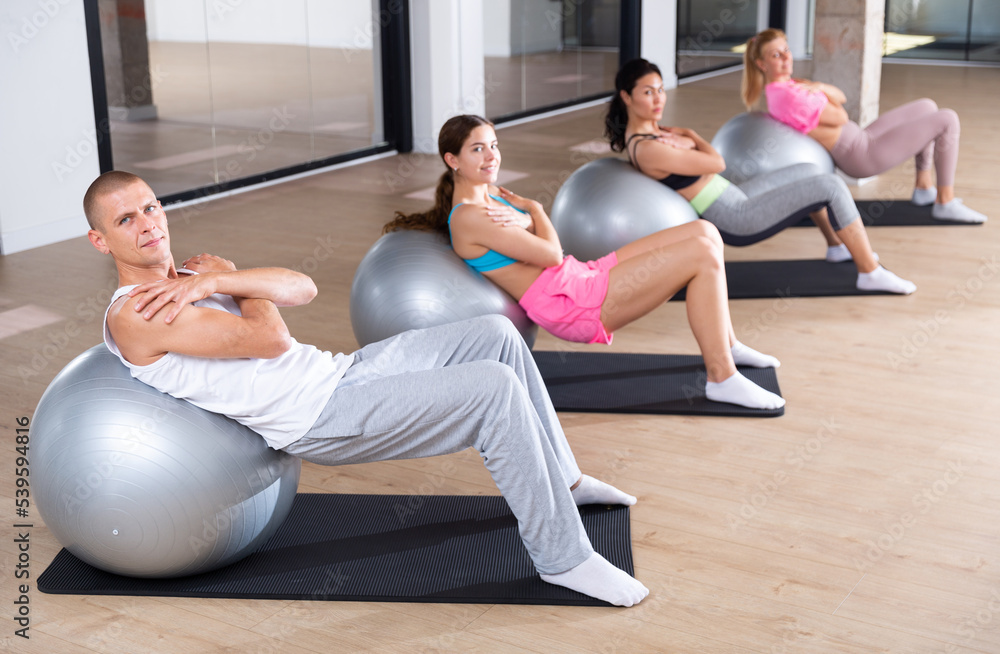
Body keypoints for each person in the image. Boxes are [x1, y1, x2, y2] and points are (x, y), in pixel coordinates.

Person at [83, 170, 648, 607]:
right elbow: (271, 338)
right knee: (495, 388)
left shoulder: (186, 281)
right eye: (127, 219)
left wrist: (218, 279)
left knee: (497, 334)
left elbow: (301, 289)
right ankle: (563, 558)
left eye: (151, 206)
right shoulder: (139, 312)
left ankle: (565, 479)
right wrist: (232, 277)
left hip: (339, 373)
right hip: (321, 417)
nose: (149, 223)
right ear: (100, 241)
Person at [385, 114, 786, 411]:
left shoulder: (490, 197)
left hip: (580, 277)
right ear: (452, 159)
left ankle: (727, 345)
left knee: (704, 232)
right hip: (572, 305)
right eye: (478, 149)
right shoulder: (470, 216)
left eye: (494, 145)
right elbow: (549, 252)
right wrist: (536, 210)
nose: (491, 156)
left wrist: (526, 216)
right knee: (700, 254)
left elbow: (534, 237)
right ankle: (721, 376)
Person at [607, 57, 916, 295]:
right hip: (735, 216)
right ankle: (869, 271)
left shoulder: (655, 134)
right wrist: (690, 134)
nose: (659, 98)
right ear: (627, 97)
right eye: (648, 92)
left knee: (810, 170)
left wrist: (687, 141)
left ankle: (838, 247)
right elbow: (716, 163)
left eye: (660, 90)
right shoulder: (649, 148)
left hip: (735, 196)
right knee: (830, 185)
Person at [742, 28, 986, 224]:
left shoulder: (794, 85)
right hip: (861, 155)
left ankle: (924, 189)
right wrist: (825, 94)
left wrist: (821, 88)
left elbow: (841, 98)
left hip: (862, 137)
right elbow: (840, 115)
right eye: (776, 55)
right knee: (947, 119)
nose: (786, 57)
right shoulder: (788, 95)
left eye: (786, 50)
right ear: (761, 64)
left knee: (927, 106)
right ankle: (945, 201)